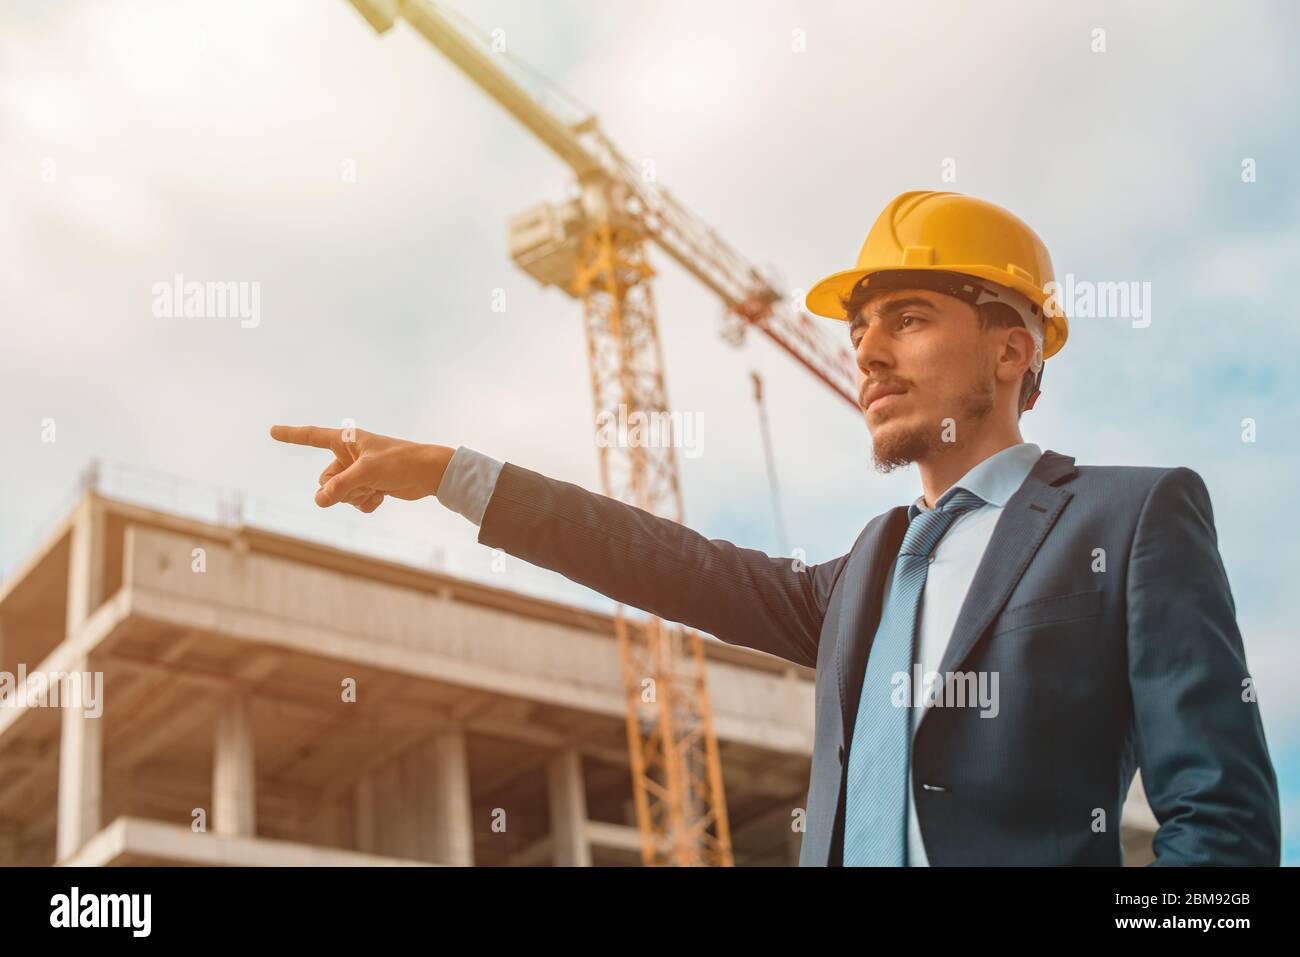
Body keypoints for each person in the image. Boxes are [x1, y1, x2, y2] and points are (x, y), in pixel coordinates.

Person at [270, 190, 1280, 866]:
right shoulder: (868, 575)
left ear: (1012, 349)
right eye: (858, 332)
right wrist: (450, 473)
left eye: (909, 317)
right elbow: (664, 561)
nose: (868, 354)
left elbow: (1221, 815)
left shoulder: (1131, 515)